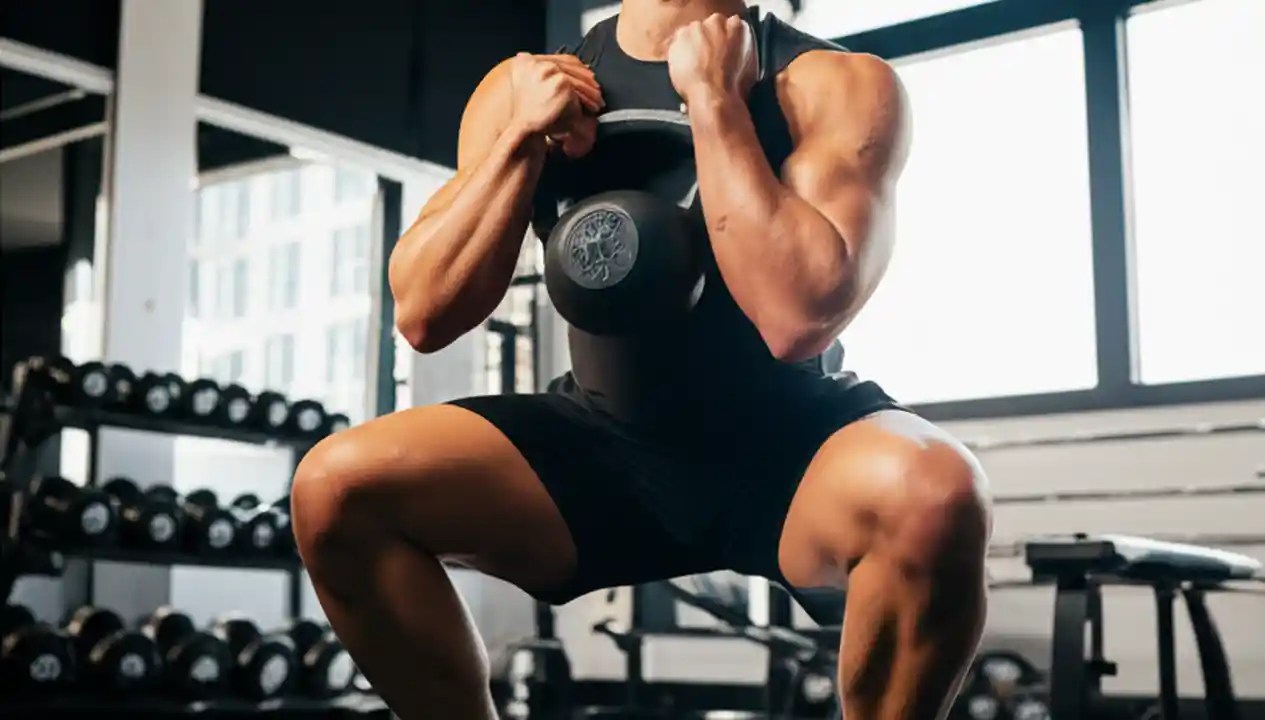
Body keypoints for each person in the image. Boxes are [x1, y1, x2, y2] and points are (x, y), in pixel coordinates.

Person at [290, 1, 992, 718]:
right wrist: (521, 140)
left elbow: (797, 317)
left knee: (936, 494)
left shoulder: (831, 84)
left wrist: (717, 100)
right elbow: (423, 314)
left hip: (788, 449)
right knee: (338, 490)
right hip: (599, 444)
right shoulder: (522, 89)